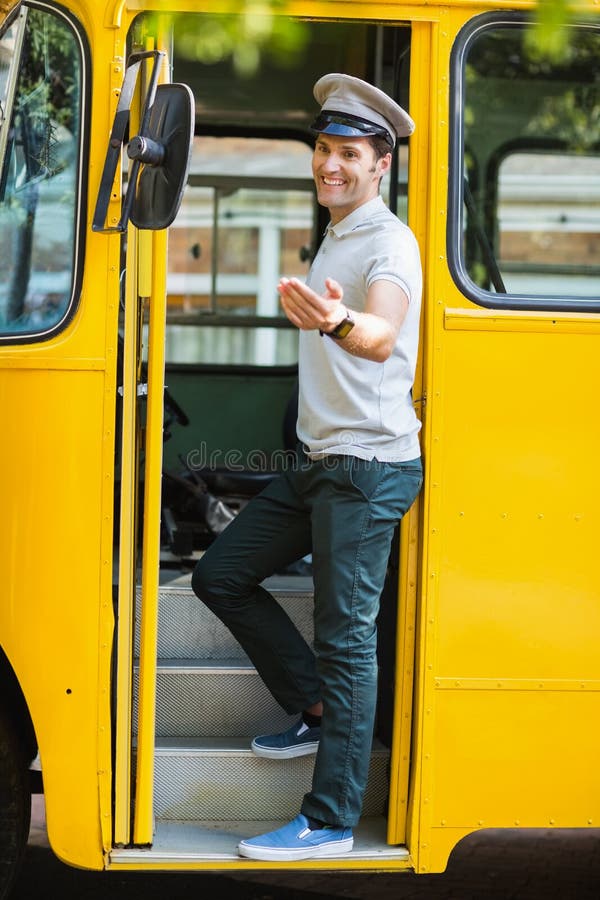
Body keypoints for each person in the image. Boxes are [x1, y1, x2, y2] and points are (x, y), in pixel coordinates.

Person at [191, 72, 423, 861]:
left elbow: (383, 333)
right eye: (323, 149)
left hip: (366, 468)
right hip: (319, 460)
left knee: (347, 640)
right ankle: (315, 706)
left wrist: (340, 322)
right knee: (220, 574)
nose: (330, 165)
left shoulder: (390, 242)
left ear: (381, 163)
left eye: (348, 153)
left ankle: (328, 823)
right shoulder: (340, 229)